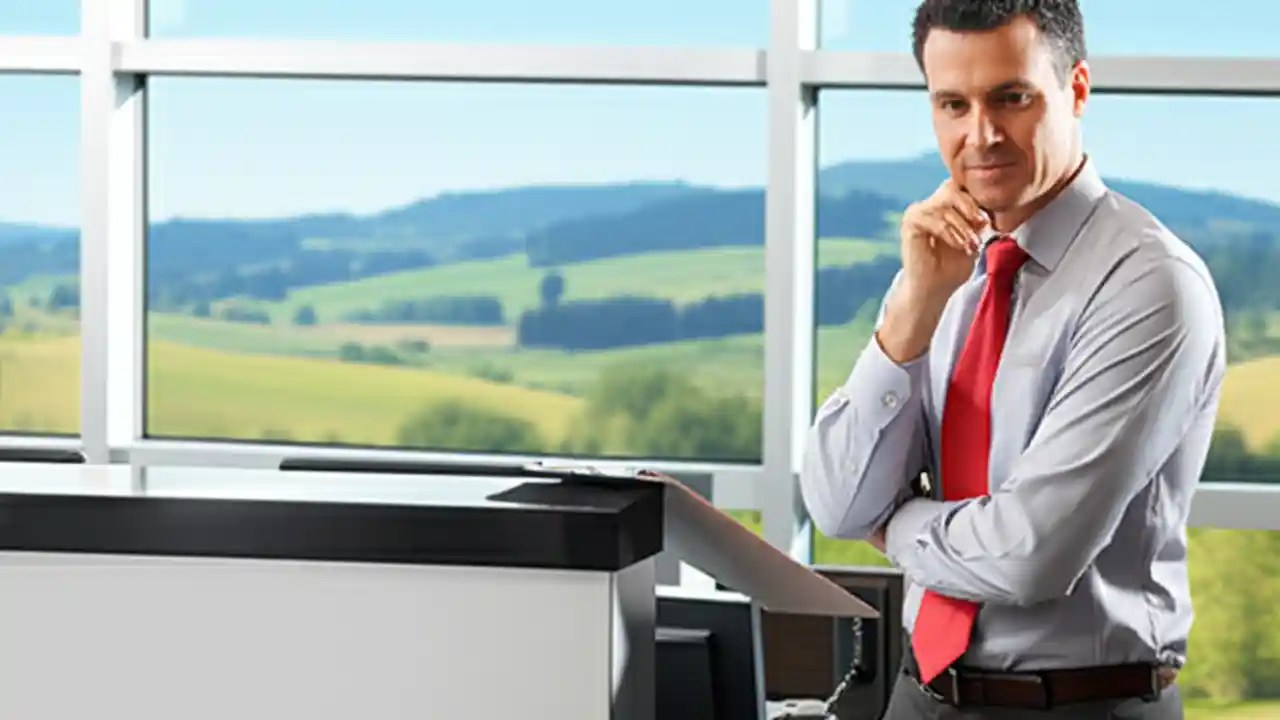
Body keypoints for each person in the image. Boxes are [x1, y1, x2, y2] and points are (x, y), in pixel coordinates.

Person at [800, 1, 1226, 717]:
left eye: (1012, 98)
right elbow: (839, 503)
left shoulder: (1150, 285)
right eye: (952, 104)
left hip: (1081, 703)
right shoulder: (941, 268)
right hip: (919, 692)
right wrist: (911, 314)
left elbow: (1032, 553)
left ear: (1078, 90)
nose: (982, 135)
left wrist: (897, 527)